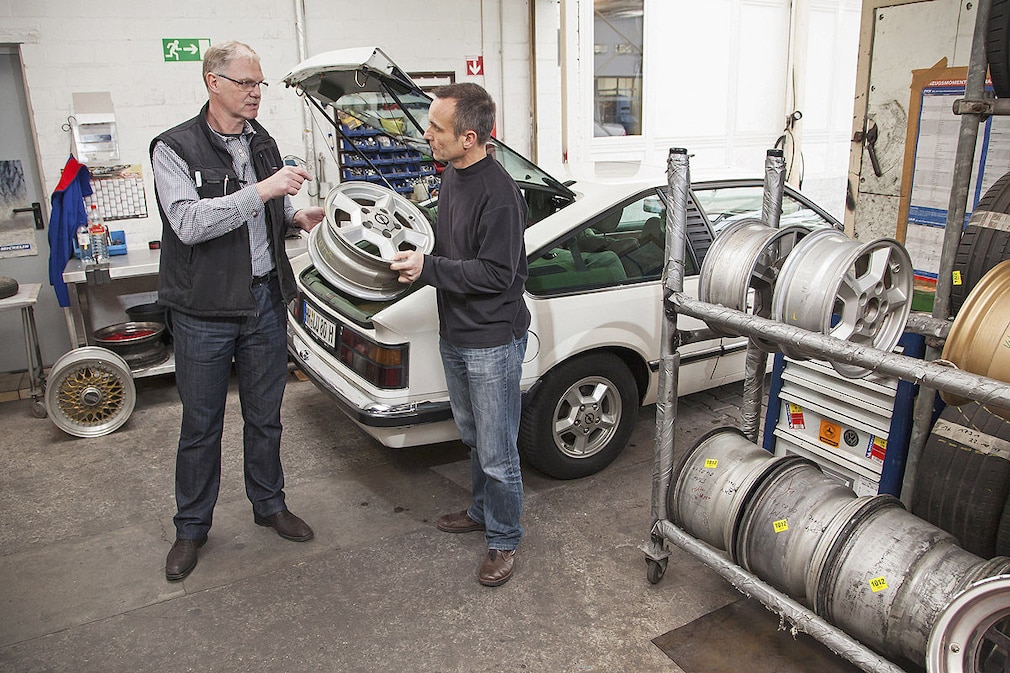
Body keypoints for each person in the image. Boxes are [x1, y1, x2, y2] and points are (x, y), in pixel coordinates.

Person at [150, 40, 324, 582]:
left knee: (265, 415)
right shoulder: (173, 148)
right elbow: (189, 224)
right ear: (213, 82)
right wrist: (263, 190)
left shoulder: (262, 141)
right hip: (203, 311)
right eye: (246, 83)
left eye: (259, 84)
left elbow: (272, 204)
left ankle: (268, 503)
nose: (255, 93)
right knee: (201, 424)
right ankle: (191, 527)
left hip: (263, 300)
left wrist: (294, 215)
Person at [390, 83, 529, 587]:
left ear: (468, 137)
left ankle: (504, 537)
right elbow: (449, 246)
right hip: (457, 333)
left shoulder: (499, 196)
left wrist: (429, 269)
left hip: (491, 340)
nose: (426, 135)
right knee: (473, 437)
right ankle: (480, 511)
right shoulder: (453, 176)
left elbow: (496, 273)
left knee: (497, 449)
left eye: (436, 128)